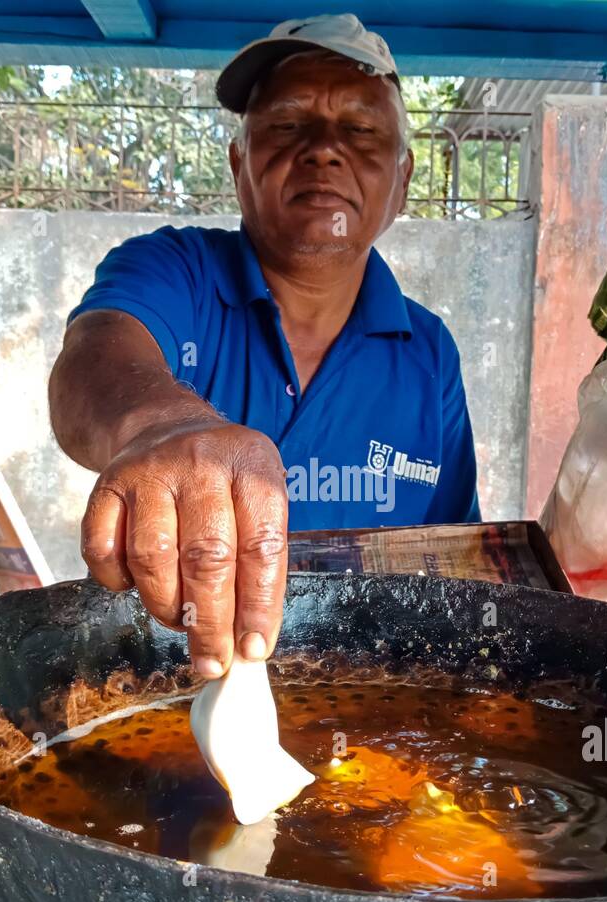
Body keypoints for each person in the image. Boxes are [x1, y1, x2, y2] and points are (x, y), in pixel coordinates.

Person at [49, 14, 479, 680]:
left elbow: (455, 562)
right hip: (164, 689)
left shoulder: (430, 355)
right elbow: (94, 360)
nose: (324, 151)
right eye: (287, 125)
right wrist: (163, 426)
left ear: (403, 178)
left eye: (361, 130)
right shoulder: (174, 272)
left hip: (372, 709)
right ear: (237, 162)